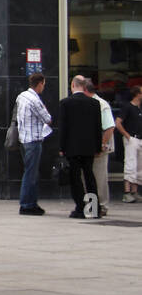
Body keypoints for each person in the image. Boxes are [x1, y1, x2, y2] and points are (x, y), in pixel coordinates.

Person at [60, 75, 109, 219]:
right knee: (89, 177)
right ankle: (94, 209)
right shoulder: (94, 103)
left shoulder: (65, 103)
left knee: (76, 178)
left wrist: (62, 147)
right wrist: (98, 147)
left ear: (73, 85)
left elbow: (64, 127)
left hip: (72, 147)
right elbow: (97, 127)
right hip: (89, 147)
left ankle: (80, 208)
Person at [16, 73, 53, 215]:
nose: (43, 87)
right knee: (31, 173)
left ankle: (30, 202)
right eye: (43, 84)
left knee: (30, 172)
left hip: (23, 139)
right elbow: (47, 118)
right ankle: (27, 204)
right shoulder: (35, 100)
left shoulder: (22, 96)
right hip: (33, 140)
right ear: (40, 84)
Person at [84, 80, 115, 217]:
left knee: (99, 177)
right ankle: (93, 204)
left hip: (100, 148)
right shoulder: (91, 104)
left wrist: (102, 145)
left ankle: (102, 205)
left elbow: (109, 127)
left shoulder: (101, 105)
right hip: (91, 146)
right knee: (91, 176)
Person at [116, 85, 142, 204]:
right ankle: (127, 192)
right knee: (130, 164)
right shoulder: (128, 107)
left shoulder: (139, 108)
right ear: (137, 94)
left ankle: (134, 191)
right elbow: (118, 122)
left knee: (139, 166)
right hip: (132, 139)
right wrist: (127, 136)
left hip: (140, 139)